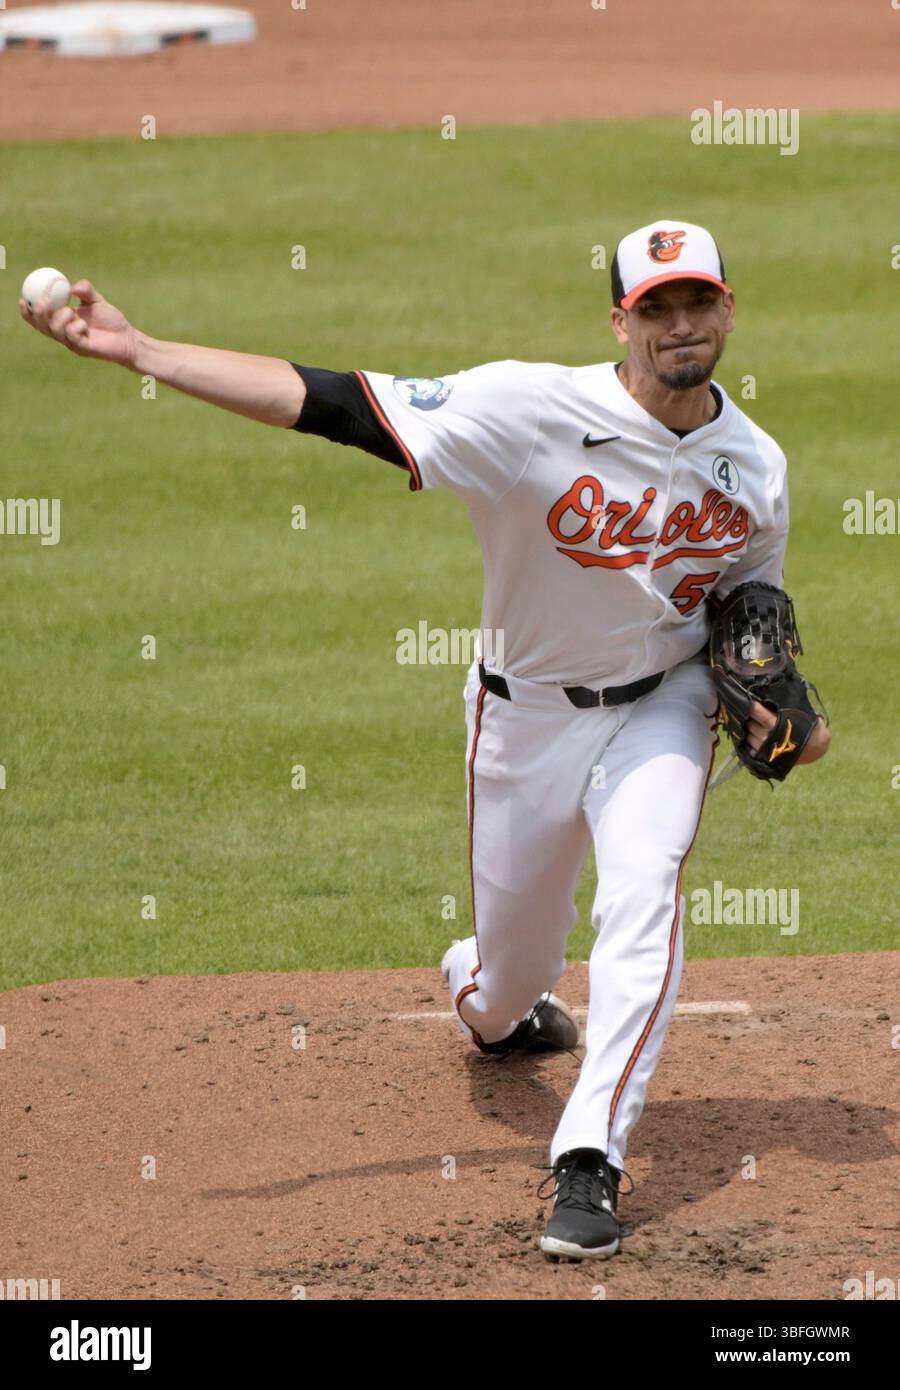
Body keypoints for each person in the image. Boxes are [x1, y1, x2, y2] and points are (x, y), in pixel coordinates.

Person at [20, 218, 830, 1262]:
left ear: (729, 308)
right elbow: (335, 403)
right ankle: (486, 992)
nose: (682, 325)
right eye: (657, 307)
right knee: (509, 986)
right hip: (524, 714)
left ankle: (590, 1156)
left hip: (661, 711)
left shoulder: (755, 465)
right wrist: (141, 352)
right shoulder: (528, 410)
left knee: (646, 890)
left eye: (698, 302)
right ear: (620, 320)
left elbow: (744, 608)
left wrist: (783, 707)